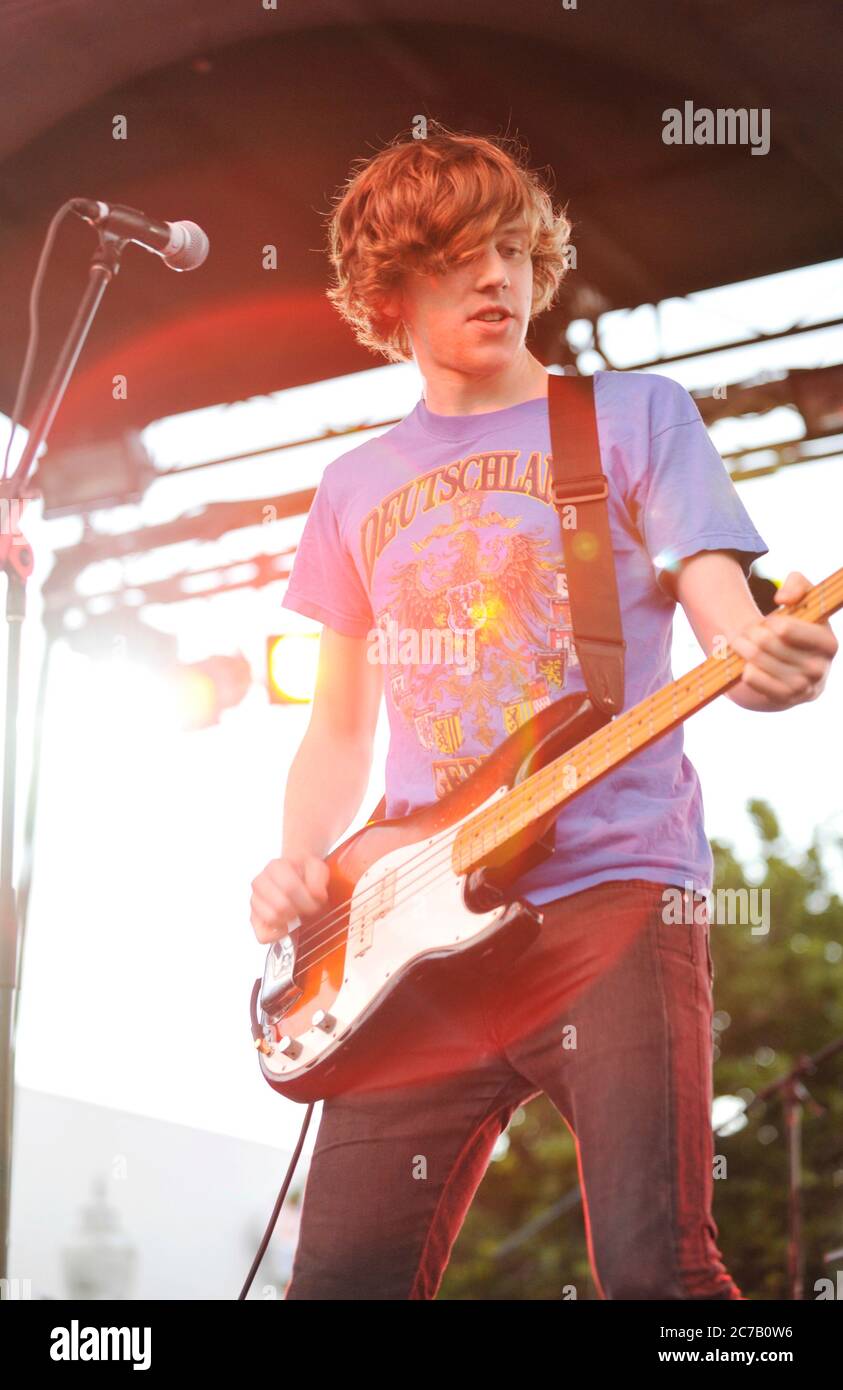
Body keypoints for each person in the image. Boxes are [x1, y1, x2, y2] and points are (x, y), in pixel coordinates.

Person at [249, 122, 839, 1300]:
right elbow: (338, 726)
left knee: (656, 1271)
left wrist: (760, 653)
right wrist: (296, 862)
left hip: (611, 901)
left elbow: (717, 596)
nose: (497, 276)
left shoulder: (633, 415)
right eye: (462, 253)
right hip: (406, 937)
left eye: (515, 248)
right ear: (389, 289)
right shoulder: (352, 488)